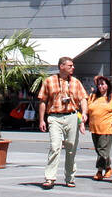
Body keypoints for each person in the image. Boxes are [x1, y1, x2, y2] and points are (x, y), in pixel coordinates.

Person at [37, 57, 88, 189]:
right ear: (61, 66)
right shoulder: (49, 81)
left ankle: (70, 177)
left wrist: (84, 113)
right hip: (54, 117)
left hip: (71, 116)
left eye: (73, 65)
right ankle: (50, 178)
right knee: (55, 147)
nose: (73, 68)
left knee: (71, 148)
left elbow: (83, 99)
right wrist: (42, 119)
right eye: (70, 65)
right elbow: (43, 101)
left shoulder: (76, 82)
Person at [86, 75, 112, 181]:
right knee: (100, 151)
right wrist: (82, 121)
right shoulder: (92, 97)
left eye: (102, 84)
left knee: (102, 150)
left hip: (107, 127)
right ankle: (108, 168)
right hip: (94, 127)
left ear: (108, 85)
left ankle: (99, 171)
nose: (100, 86)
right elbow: (86, 110)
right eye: (98, 84)